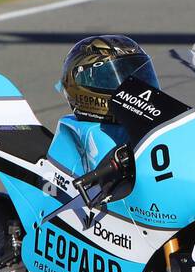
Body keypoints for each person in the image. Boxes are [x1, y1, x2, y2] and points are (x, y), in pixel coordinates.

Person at [52, 35, 159, 175]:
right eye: (108, 78)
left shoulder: (149, 125)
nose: (137, 87)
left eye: (141, 74)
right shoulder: (85, 139)